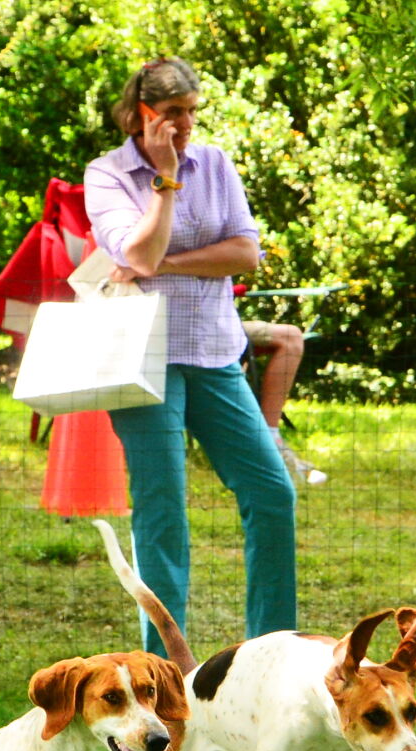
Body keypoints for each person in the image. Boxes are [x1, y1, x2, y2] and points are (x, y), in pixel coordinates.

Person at [84, 57, 297, 655]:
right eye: (172, 113)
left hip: (214, 350)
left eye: (191, 112)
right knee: (163, 517)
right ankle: (162, 668)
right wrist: (167, 179)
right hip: (142, 360)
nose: (184, 125)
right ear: (140, 114)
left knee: (272, 491)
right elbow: (139, 252)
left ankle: (273, 649)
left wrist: (170, 263)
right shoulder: (106, 174)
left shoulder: (219, 163)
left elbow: (244, 254)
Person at [240, 319, 325, 484]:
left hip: (222, 320)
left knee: (291, 336)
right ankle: (270, 442)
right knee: (290, 337)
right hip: (207, 327)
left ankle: (270, 439)